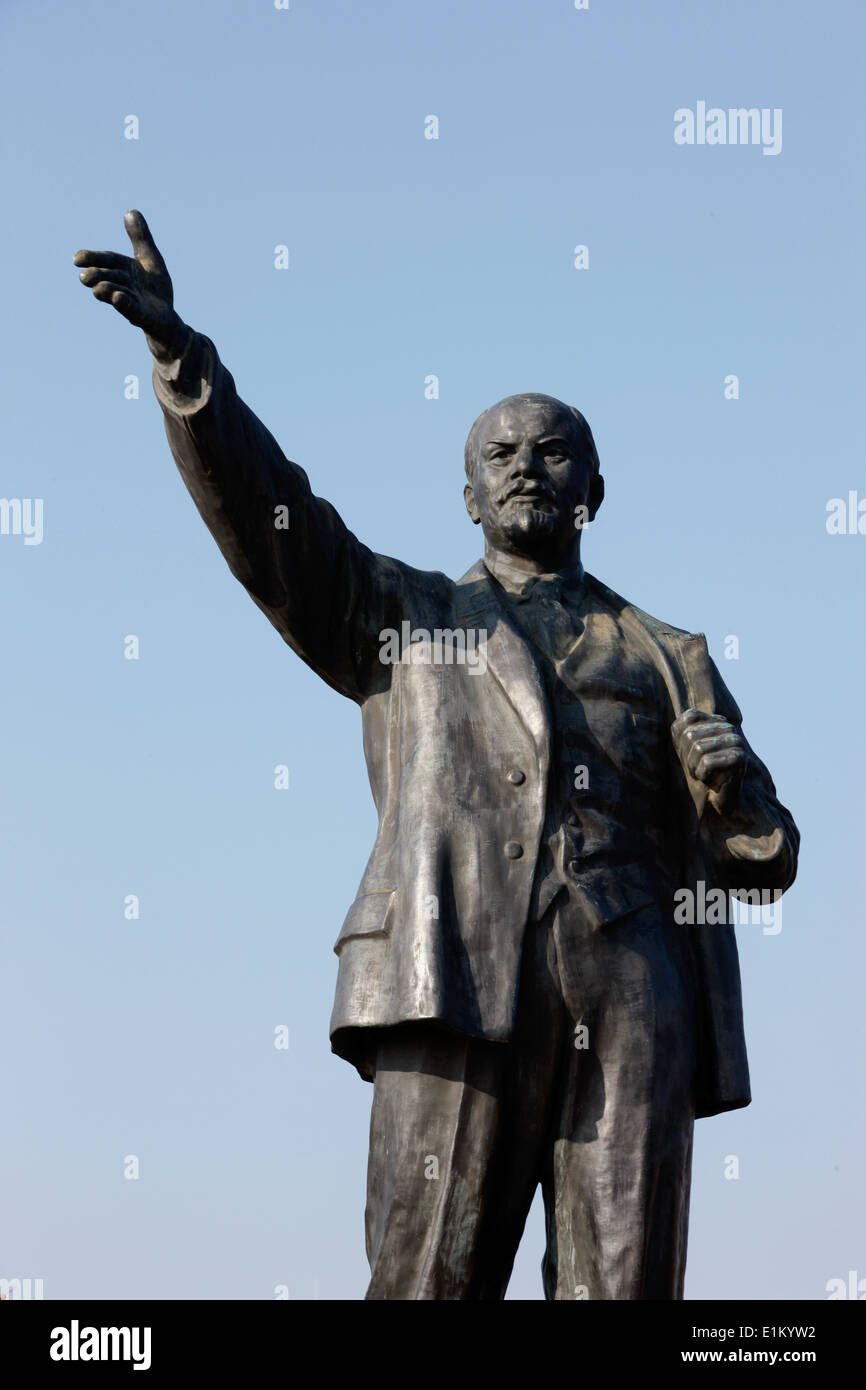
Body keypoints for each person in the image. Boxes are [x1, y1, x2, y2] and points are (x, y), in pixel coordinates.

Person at [74, 211, 799, 1300]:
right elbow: (277, 527)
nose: (525, 468)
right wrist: (187, 366)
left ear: (592, 488)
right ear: (467, 497)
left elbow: (761, 858)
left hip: (634, 979)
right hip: (454, 966)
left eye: (551, 450)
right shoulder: (400, 616)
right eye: (498, 455)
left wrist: (734, 792)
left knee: (627, 1281)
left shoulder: (670, 652)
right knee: (426, 1275)